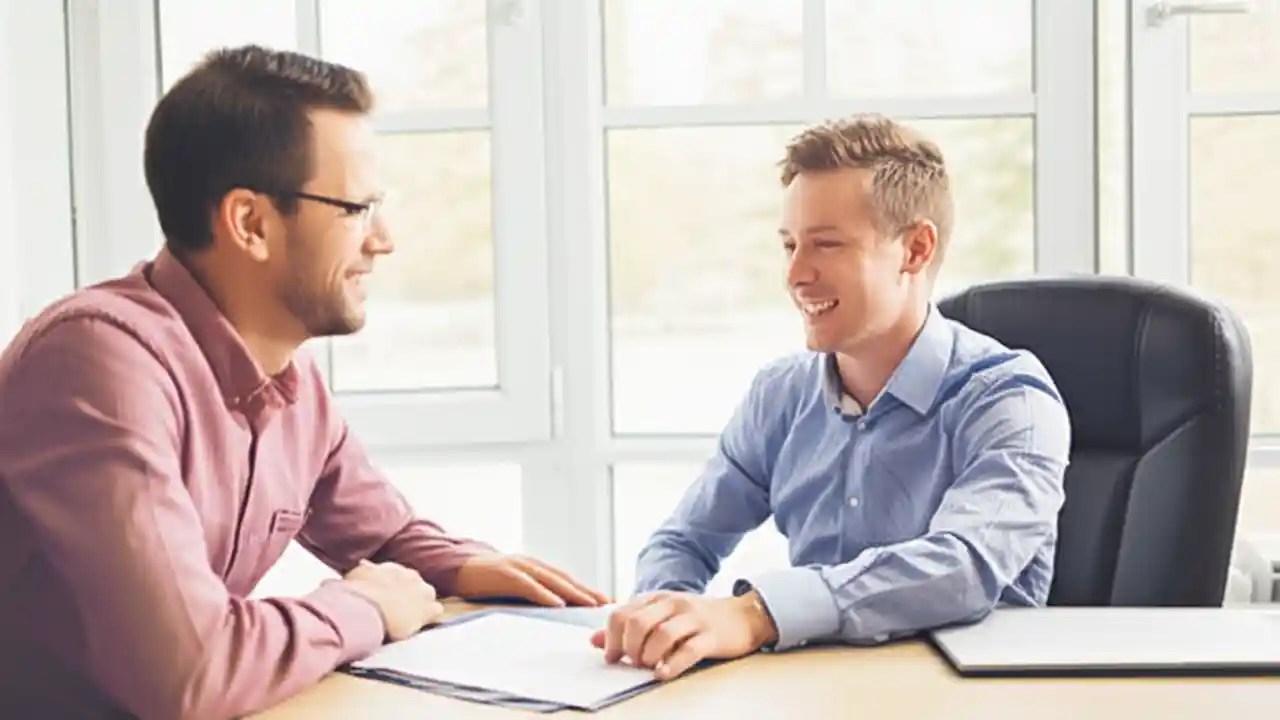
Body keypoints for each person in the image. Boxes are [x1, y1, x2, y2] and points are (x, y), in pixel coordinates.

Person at [0, 45, 607, 719]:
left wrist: (465, 568)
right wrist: (363, 605)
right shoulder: (98, 365)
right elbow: (190, 673)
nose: (384, 240)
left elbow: (383, 537)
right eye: (357, 208)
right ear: (251, 223)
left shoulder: (285, 375)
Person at [591, 115, 1071, 681]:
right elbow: (685, 539)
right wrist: (664, 614)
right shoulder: (782, 395)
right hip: (813, 694)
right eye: (790, 245)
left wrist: (757, 614)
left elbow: (963, 566)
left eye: (826, 245)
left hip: (962, 699)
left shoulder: (1008, 400)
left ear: (915, 250)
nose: (796, 274)